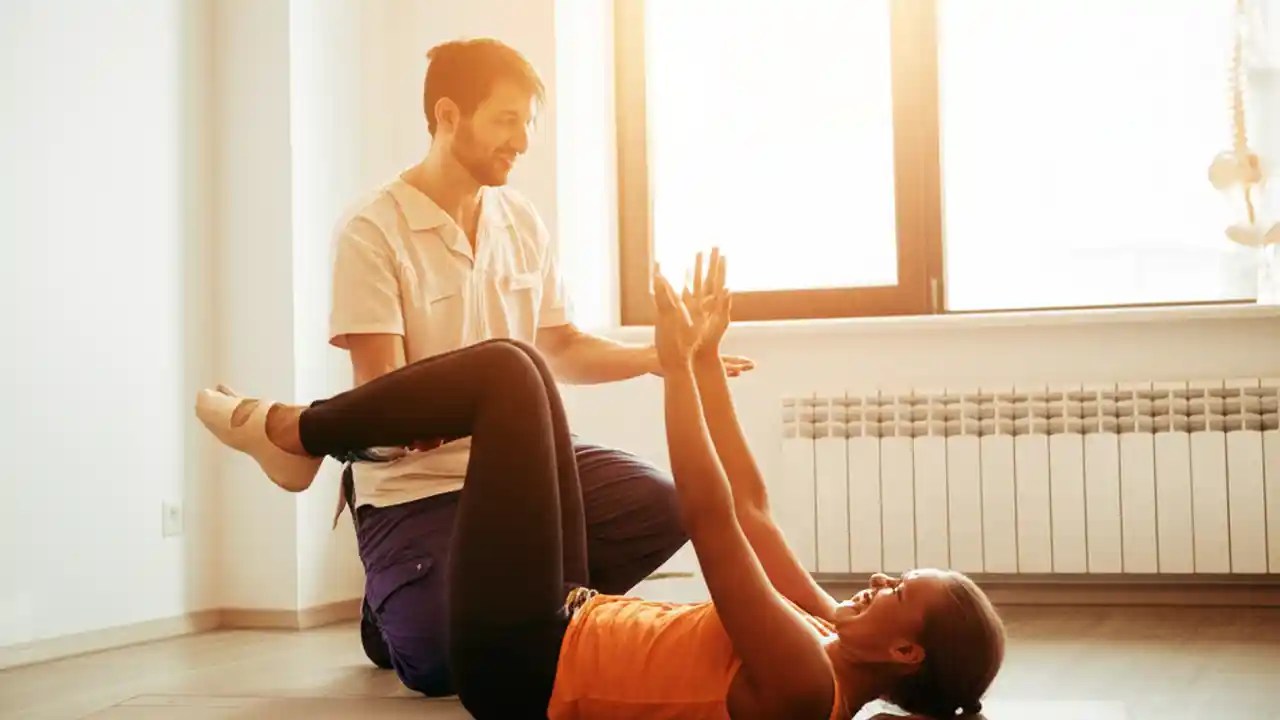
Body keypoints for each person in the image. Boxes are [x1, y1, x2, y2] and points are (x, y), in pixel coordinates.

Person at [196, 249, 1006, 720]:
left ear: (905, 652)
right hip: (563, 613)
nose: (880, 579)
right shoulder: (825, 631)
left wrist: (675, 371)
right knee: (531, 386)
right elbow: (753, 508)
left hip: (519, 664)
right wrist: (700, 359)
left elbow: (713, 519)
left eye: (901, 590)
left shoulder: (803, 682)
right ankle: (351, 533)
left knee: (509, 374)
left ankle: (298, 434)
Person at [325, 37, 751, 692]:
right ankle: (391, 612)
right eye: (506, 120)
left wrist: (659, 359)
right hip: (419, 482)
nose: (522, 141)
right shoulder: (373, 230)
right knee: (443, 662)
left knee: (664, 507)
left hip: (523, 466)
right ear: (447, 116)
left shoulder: (519, 220)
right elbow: (382, 393)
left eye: (528, 122)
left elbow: (564, 346)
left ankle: (527, 614)